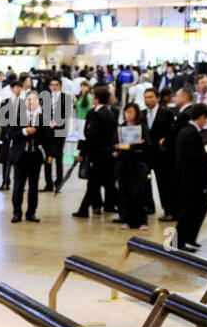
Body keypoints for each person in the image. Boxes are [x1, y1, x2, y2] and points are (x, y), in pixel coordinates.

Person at [173, 103, 207, 251]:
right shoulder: (191, 132)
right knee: (189, 211)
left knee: (198, 208)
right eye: (206, 119)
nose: (206, 122)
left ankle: (189, 238)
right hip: (191, 179)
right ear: (201, 117)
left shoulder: (187, 130)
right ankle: (179, 242)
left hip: (189, 178)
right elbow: (191, 157)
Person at [73, 85, 119, 218]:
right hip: (105, 154)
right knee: (95, 183)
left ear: (97, 99)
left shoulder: (97, 114)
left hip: (99, 155)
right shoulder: (107, 112)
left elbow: (92, 136)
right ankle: (83, 209)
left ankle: (126, 210)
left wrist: (82, 153)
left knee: (104, 185)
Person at [6, 92, 51, 223]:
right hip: (20, 156)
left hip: (35, 156)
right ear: (25, 102)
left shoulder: (43, 118)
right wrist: (24, 131)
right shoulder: (17, 117)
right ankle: (17, 213)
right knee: (18, 186)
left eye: (34, 100)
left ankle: (31, 213)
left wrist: (50, 154)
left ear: (38, 103)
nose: (31, 102)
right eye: (29, 100)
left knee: (33, 187)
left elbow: (47, 139)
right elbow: (9, 135)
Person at [113, 101, 151, 230]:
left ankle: (142, 220)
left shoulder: (142, 127)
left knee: (138, 193)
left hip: (138, 164)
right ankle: (126, 219)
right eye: (126, 112)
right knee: (124, 192)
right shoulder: (120, 128)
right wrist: (117, 149)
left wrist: (130, 146)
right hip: (123, 164)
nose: (128, 115)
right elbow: (115, 144)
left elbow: (145, 144)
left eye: (131, 112)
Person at [146, 87, 179, 221]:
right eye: (146, 97)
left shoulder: (166, 113)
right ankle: (148, 206)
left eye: (150, 97)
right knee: (145, 181)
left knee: (164, 183)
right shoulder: (142, 114)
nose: (148, 100)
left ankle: (169, 210)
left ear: (157, 98)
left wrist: (165, 140)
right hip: (146, 153)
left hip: (162, 154)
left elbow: (172, 131)